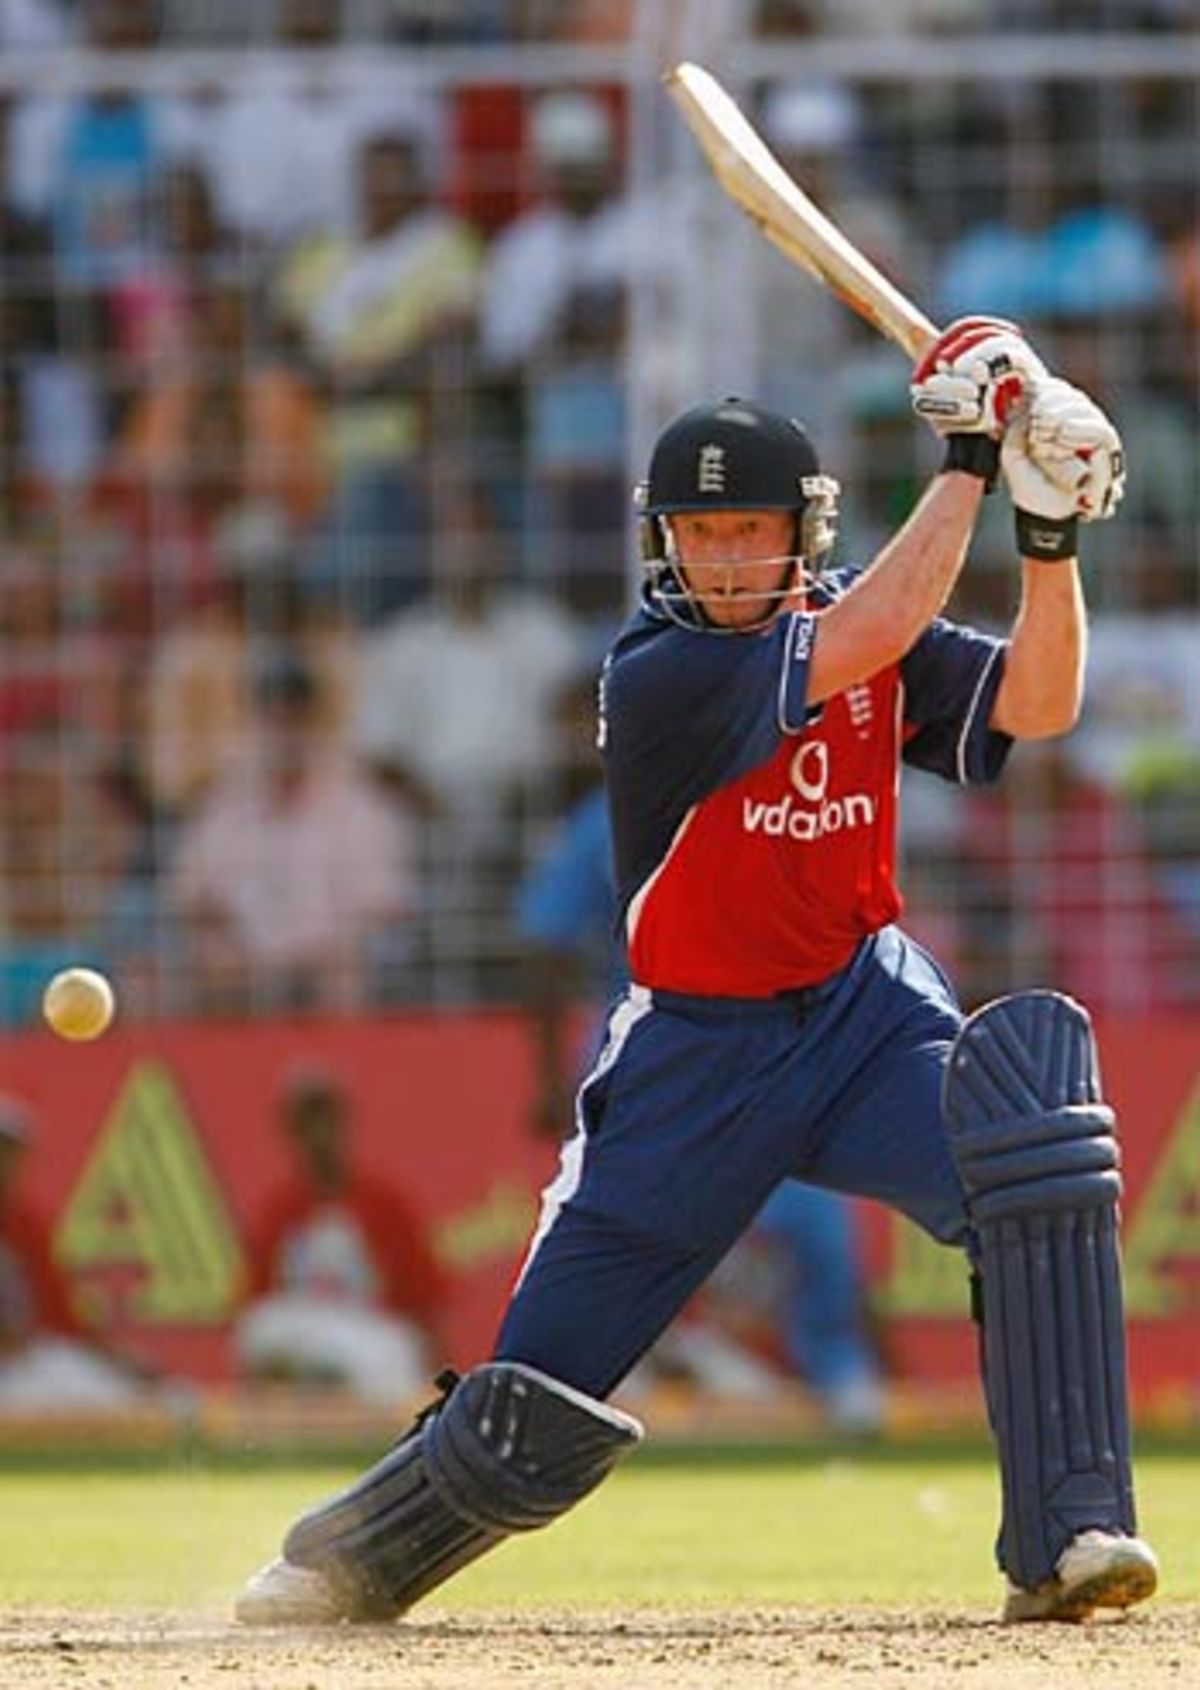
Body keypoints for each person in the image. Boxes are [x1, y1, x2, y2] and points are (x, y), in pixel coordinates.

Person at [236, 317, 1159, 1627]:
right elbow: (874, 632)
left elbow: (1038, 704)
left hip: (860, 1016)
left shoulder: (858, 617)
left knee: (1036, 1158)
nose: (722, 559)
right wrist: (968, 452)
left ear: (804, 533)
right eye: (697, 533)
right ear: (662, 541)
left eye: (749, 532)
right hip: (695, 1052)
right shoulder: (660, 671)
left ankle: (1074, 1533)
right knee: (531, 1404)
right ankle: (342, 1560)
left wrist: (1051, 537)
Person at [515, 754, 883, 1432]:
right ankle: (585, 1383)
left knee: (812, 1217)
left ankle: (841, 1372)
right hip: (651, 1042)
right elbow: (547, 943)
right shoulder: (613, 816)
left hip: (766, 1042)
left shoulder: (777, 797)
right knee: (623, 1221)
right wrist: (546, 1077)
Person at [234, 1065, 446, 1406]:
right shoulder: (282, 1209)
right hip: (308, 1335)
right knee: (260, 1329)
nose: (319, 1134)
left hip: (372, 1333)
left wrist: (439, 1380)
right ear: (292, 1134)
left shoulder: (383, 1201)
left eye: (326, 1119)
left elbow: (425, 1305)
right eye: (307, 1124)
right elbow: (256, 1309)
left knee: (388, 1361)